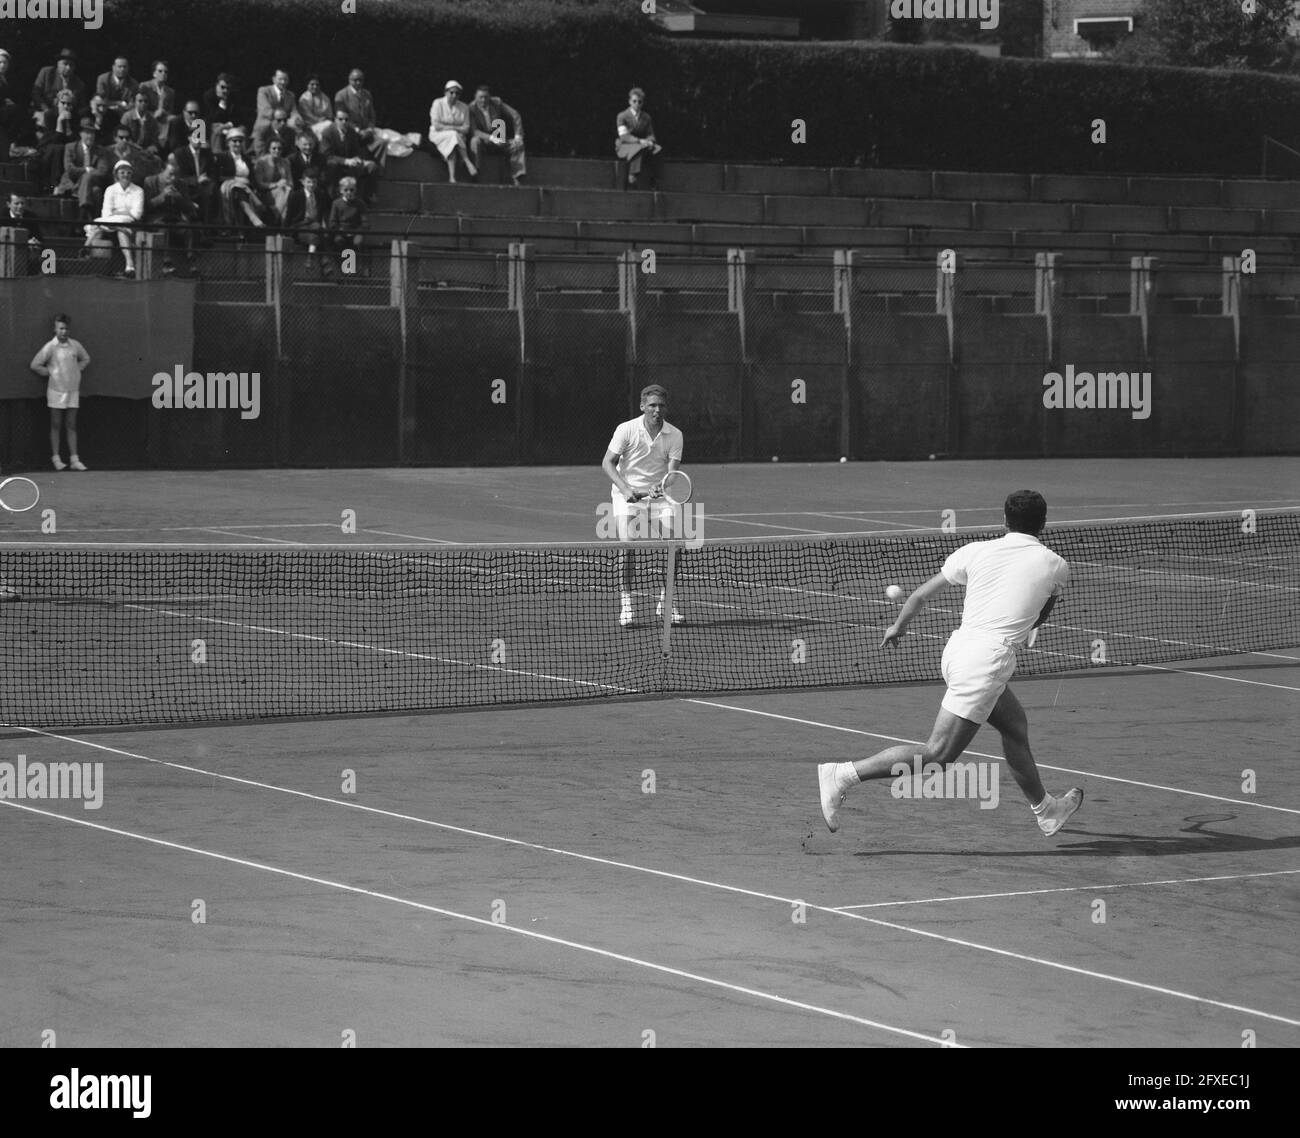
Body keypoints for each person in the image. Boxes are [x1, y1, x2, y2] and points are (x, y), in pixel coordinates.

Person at [817, 490, 1085, 839]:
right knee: (938, 754)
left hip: (957, 651)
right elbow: (1037, 619)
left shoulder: (974, 551)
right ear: (1044, 524)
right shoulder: (1056, 566)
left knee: (1015, 726)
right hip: (986, 663)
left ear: (1003, 521)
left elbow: (918, 596)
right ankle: (844, 774)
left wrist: (897, 627)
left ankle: (1047, 810)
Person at [601, 384, 684, 627]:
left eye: (661, 406)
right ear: (642, 407)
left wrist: (662, 487)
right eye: (652, 406)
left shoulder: (675, 435)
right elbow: (607, 462)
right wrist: (626, 489)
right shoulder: (626, 430)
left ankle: (666, 602)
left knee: (674, 547)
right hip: (625, 494)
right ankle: (626, 604)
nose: (657, 410)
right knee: (627, 546)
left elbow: (671, 474)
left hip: (658, 497)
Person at [29, 313, 90, 472]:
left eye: (66, 328)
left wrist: (78, 369)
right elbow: (35, 364)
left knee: (71, 425)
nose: (64, 331)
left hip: (72, 392)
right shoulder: (50, 346)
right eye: (61, 328)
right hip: (56, 391)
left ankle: (74, 459)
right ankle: (56, 459)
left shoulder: (75, 345)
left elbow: (86, 359)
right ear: (55, 329)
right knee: (56, 425)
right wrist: (50, 372)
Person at [85, 159, 144, 277]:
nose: (125, 175)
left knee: (121, 231)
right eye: (122, 172)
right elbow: (106, 214)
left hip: (131, 226)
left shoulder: (138, 191)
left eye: (128, 173)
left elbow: (137, 214)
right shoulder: (110, 190)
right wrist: (126, 212)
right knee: (99, 228)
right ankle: (87, 258)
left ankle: (129, 265)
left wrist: (116, 212)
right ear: (117, 174)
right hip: (110, 225)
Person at [143, 154, 198, 272]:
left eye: (175, 175)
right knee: (164, 228)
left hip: (175, 219)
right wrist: (162, 196)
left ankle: (191, 261)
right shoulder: (150, 181)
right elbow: (147, 206)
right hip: (157, 219)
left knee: (188, 229)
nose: (173, 178)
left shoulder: (181, 184)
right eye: (170, 174)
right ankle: (166, 262)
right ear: (163, 170)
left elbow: (189, 208)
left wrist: (179, 197)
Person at [468, 84, 526, 186]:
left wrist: (518, 136)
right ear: (475, 97)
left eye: (486, 97)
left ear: (489, 97)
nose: (483, 100)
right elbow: (474, 131)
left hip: (499, 138)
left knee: (517, 145)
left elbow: (515, 115)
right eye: (480, 97)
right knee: (474, 141)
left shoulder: (497, 102)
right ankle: (476, 175)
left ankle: (517, 177)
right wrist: (491, 138)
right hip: (484, 141)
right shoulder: (471, 108)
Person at [213, 126, 266, 235]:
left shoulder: (246, 159)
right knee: (237, 189)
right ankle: (252, 217)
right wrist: (236, 181)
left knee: (239, 191)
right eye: (234, 141)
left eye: (240, 141)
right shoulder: (223, 157)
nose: (237, 144)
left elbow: (252, 179)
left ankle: (243, 230)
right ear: (228, 143)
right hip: (228, 186)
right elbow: (218, 176)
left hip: (246, 188)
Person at [318, 106, 377, 200]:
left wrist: (357, 158)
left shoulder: (351, 131)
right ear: (335, 119)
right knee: (332, 165)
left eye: (346, 119)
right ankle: (333, 198)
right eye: (340, 119)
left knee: (371, 166)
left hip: (349, 163)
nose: (344, 122)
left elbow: (356, 150)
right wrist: (345, 161)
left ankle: (365, 197)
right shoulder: (327, 133)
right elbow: (326, 155)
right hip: (333, 164)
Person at [428, 80, 475, 183]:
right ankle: (467, 161)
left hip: (457, 137)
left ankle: (452, 177)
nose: (454, 95)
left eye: (457, 93)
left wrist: (452, 129)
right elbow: (436, 125)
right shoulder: (437, 103)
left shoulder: (464, 107)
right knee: (453, 136)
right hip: (437, 135)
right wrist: (456, 129)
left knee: (452, 142)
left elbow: (466, 128)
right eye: (451, 92)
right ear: (445, 92)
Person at [616, 87, 661, 190]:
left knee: (657, 149)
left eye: (639, 102)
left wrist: (650, 141)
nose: (637, 104)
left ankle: (654, 178)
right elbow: (624, 136)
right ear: (629, 102)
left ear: (643, 103)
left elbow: (651, 134)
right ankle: (632, 175)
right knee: (639, 149)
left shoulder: (646, 117)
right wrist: (639, 141)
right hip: (625, 145)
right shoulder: (622, 116)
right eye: (634, 101)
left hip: (643, 144)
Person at [325, 174, 365, 278]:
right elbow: (332, 222)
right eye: (346, 190)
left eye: (351, 190)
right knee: (339, 241)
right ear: (341, 190)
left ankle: (355, 271)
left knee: (357, 242)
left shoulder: (360, 204)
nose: (349, 192)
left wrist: (357, 231)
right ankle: (342, 271)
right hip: (341, 231)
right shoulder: (336, 203)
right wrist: (341, 231)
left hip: (355, 231)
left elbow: (365, 222)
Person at [31, 48, 85, 117]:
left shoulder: (79, 83)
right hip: (44, 111)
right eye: (65, 64)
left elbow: (82, 106)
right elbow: (36, 94)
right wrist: (46, 110)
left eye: (71, 65)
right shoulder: (46, 73)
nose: (68, 68)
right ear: (58, 63)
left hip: (67, 116)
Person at [252, 136, 293, 225]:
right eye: (274, 148)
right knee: (283, 192)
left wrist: (286, 185)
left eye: (279, 148)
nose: (277, 151)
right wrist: (276, 185)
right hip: (265, 193)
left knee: (287, 191)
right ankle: (281, 223)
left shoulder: (285, 162)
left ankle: (276, 219)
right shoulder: (262, 162)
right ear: (269, 149)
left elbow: (290, 182)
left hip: (284, 192)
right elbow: (259, 184)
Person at [254, 68, 300, 134]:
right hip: (267, 122)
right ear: (274, 79)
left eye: (285, 79)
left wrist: (296, 119)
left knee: (297, 127)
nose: (283, 82)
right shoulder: (264, 91)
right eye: (280, 79)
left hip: (285, 123)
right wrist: (282, 118)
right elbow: (265, 110)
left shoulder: (290, 95)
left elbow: (294, 111)